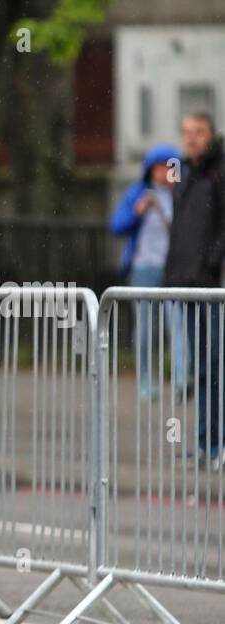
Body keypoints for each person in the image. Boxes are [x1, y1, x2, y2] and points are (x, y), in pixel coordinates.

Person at [165, 112, 225, 468]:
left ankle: (217, 443)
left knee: (214, 364)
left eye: (198, 132)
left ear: (210, 134)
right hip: (185, 280)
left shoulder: (218, 174)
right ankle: (206, 443)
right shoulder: (184, 174)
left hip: (207, 282)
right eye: (186, 132)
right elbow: (181, 231)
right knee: (201, 366)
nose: (191, 139)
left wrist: (210, 263)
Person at [110, 143, 185, 398]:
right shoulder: (138, 193)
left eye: (169, 167)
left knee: (176, 325)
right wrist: (137, 213)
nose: (164, 173)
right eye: (158, 168)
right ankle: (145, 381)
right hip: (144, 268)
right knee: (145, 329)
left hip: (174, 269)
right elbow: (117, 226)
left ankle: (180, 379)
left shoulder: (181, 195)